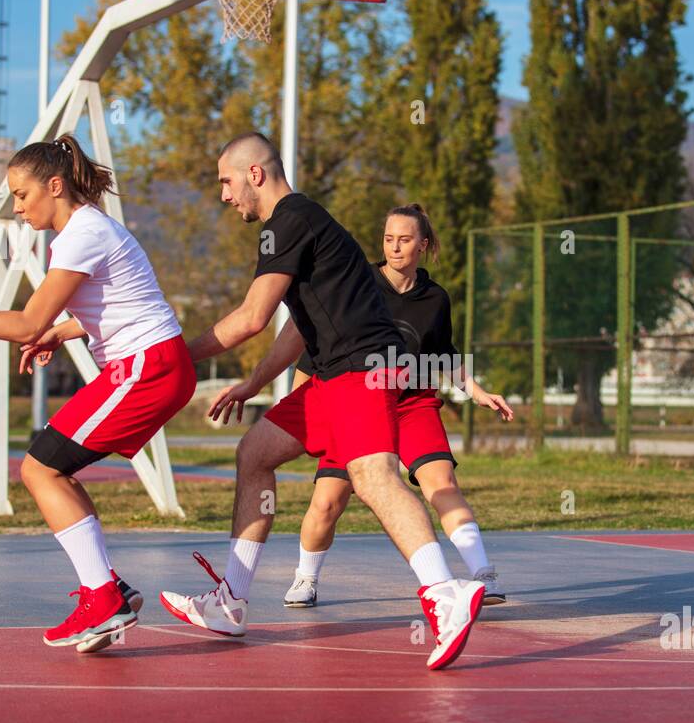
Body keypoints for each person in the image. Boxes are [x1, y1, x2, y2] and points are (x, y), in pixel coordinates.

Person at [159, 133, 486, 671]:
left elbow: (251, 317)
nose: (223, 195)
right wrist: (254, 383)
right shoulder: (298, 226)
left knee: (374, 477)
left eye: (226, 181)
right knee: (255, 454)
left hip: (362, 369)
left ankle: (445, 593)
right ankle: (231, 601)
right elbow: (295, 331)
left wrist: (174, 358)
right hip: (332, 377)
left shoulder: (288, 220)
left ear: (255, 174)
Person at [0, 133, 195, 653]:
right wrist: (62, 331)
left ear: (55, 186)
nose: (16, 207)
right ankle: (108, 589)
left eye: (22, 194)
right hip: (152, 364)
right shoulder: (89, 231)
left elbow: (28, 320)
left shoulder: (82, 233)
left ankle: (103, 597)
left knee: (38, 467)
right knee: (53, 467)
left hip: (148, 368)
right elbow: (118, 305)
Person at [211, 203, 513, 609]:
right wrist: (296, 420)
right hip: (354, 396)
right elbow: (308, 349)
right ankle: (305, 578)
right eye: (388, 239)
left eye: (405, 240)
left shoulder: (435, 299)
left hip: (410, 403)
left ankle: (480, 576)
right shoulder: (360, 282)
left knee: (439, 484)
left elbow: (444, 355)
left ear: (422, 245)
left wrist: (477, 390)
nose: (395, 247)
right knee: (327, 503)